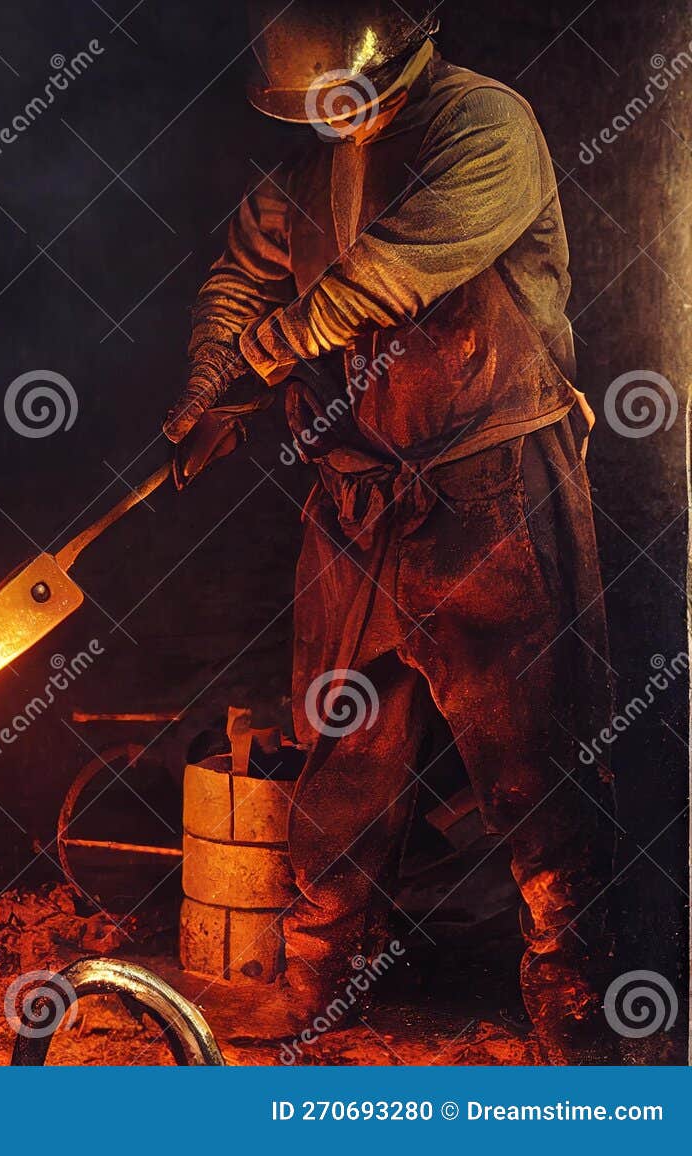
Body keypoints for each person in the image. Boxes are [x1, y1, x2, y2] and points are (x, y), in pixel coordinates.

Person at [165, 2, 616, 1060]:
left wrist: (266, 353)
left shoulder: (487, 127)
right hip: (359, 495)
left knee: (528, 755)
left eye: (353, 101)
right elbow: (238, 277)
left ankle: (571, 994)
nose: (340, 123)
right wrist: (207, 384)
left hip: (487, 483)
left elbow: (393, 269)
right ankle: (321, 975)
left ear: (409, 52)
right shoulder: (319, 163)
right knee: (343, 749)